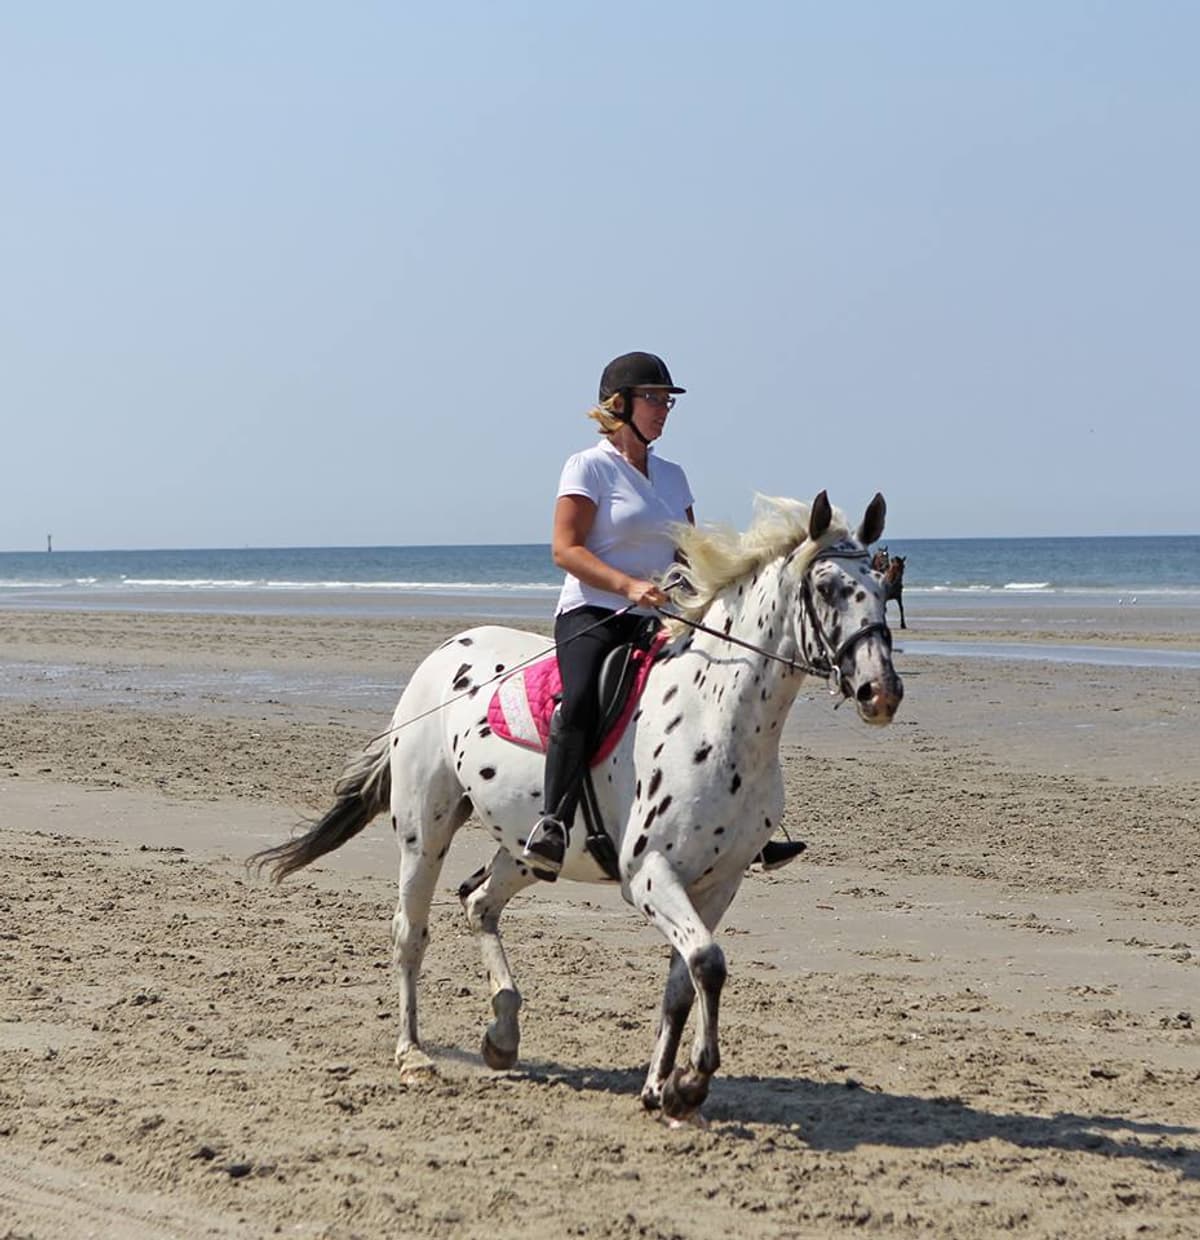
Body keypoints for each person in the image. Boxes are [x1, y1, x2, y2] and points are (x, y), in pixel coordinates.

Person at [522, 351, 807, 880]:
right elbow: (565, 550)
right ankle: (553, 824)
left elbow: (690, 551)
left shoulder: (673, 477)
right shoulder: (588, 466)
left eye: (667, 401)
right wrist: (629, 584)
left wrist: (695, 586)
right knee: (580, 700)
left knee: (726, 690)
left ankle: (750, 825)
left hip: (660, 616)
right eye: (653, 399)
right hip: (595, 611)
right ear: (620, 404)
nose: (663, 409)